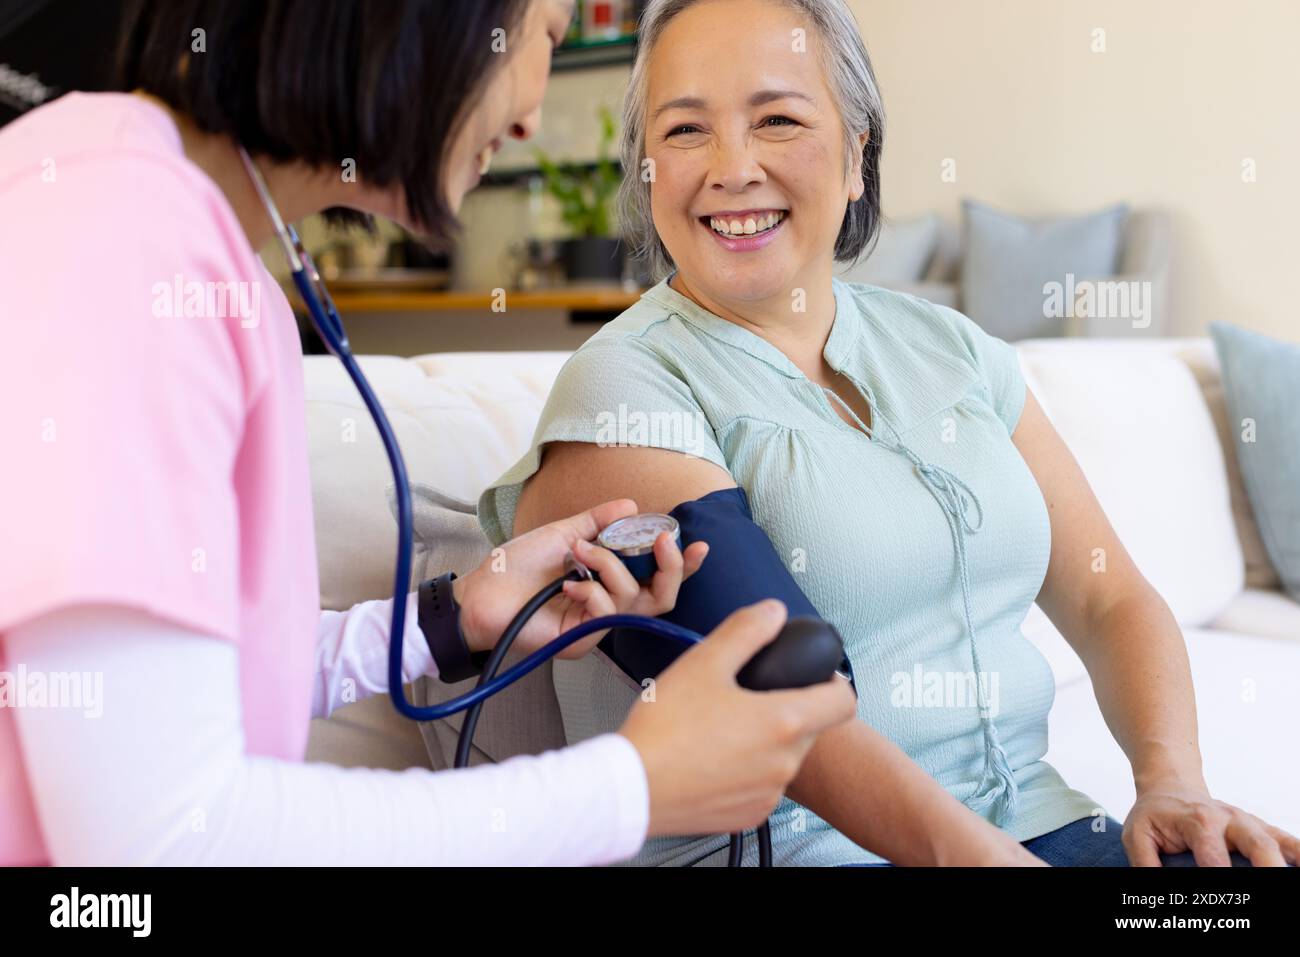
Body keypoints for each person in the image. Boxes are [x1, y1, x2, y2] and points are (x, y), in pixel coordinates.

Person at [0, 0, 857, 866]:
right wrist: (634, 784)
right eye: (544, 40)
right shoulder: (120, 240)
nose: (529, 113)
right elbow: (154, 839)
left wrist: (449, 621)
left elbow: (182, 692)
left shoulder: (210, 261)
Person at [481, 0, 1298, 867]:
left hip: (1041, 824)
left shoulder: (951, 349)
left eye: (779, 119)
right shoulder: (624, 390)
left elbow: (1109, 598)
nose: (732, 166)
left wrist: (1171, 782)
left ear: (857, 156)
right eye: (685, 130)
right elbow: (782, 698)